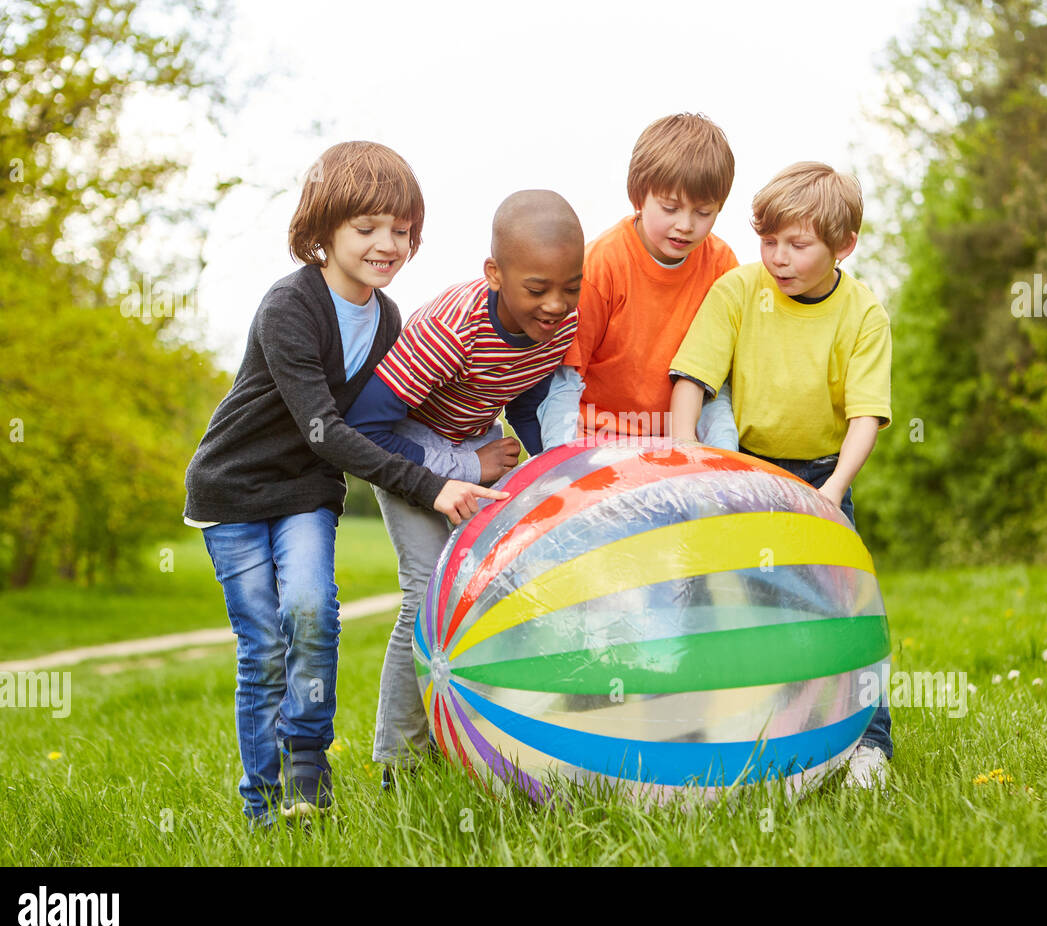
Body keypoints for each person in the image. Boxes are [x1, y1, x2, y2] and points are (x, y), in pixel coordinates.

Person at [183, 142, 504, 826]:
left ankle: (308, 761)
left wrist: (470, 456)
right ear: (321, 231)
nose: (388, 245)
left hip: (305, 493)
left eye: (402, 230)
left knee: (311, 611)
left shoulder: (388, 318)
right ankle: (262, 802)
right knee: (265, 642)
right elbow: (325, 429)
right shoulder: (289, 307)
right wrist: (432, 486)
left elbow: (397, 415)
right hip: (233, 491)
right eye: (368, 229)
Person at [344, 189, 585, 787]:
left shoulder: (559, 322)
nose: (556, 305)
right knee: (426, 595)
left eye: (570, 287)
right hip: (406, 451)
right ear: (495, 274)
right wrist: (464, 466)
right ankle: (399, 763)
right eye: (537, 289)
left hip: (476, 444)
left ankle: (480, 740)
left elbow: (527, 393)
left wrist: (554, 467)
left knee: (489, 593)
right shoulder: (453, 329)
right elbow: (365, 431)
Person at [668, 161, 895, 788]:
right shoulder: (740, 291)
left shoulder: (864, 315)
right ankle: (702, 729)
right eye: (769, 241)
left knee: (840, 612)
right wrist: (688, 453)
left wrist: (833, 491)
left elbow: (866, 416)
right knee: (713, 601)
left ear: (843, 246)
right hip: (745, 470)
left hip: (822, 474)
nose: (778, 257)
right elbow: (693, 376)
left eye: (797, 245)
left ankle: (870, 744)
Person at [537, 113, 739, 449]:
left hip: (678, 442)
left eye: (703, 213)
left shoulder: (722, 266)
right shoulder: (601, 265)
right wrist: (561, 464)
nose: (685, 225)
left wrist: (723, 459)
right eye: (670, 207)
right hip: (597, 442)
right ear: (639, 197)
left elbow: (717, 387)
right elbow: (565, 382)